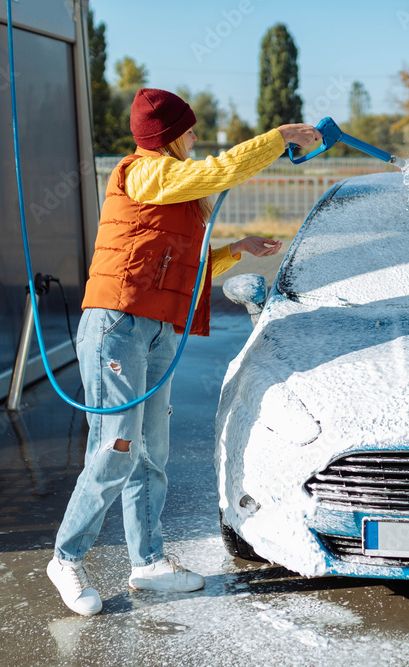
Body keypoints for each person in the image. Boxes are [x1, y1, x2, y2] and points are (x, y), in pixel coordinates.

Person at [47, 88, 321, 616]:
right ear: (168, 136)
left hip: (155, 331)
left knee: (151, 453)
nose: (195, 138)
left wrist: (235, 250)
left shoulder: (174, 189)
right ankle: (67, 557)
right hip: (118, 326)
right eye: (189, 130)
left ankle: (148, 565)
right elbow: (217, 172)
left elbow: (185, 274)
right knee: (116, 447)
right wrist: (279, 138)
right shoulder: (144, 171)